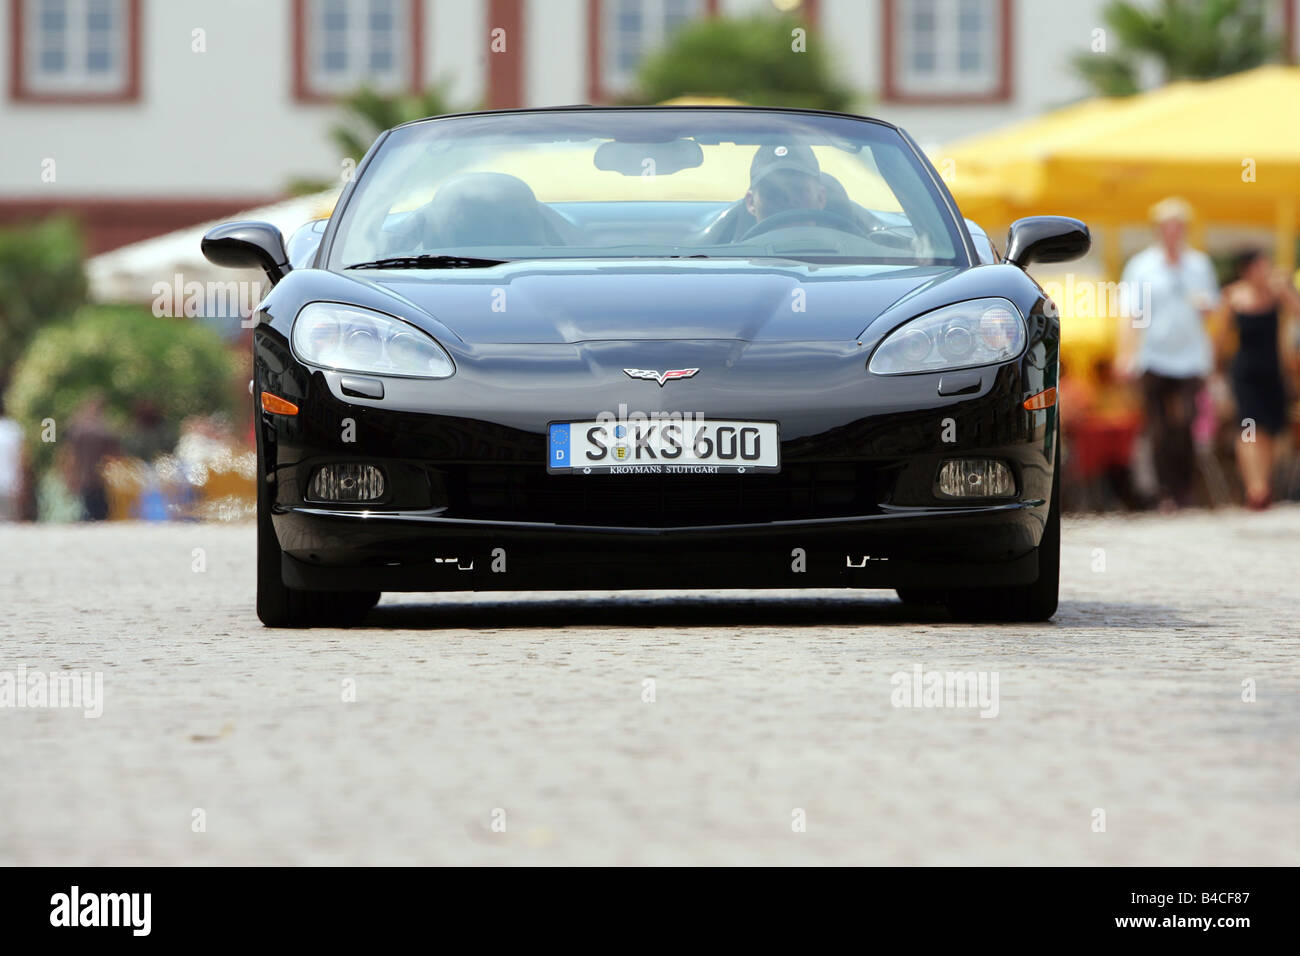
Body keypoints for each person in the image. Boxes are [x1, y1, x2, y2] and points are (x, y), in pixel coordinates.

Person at [1118, 197, 1220, 510]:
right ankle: (1165, 492)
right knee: (1159, 427)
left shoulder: (1199, 265)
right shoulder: (1141, 266)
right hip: (1154, 357)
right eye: (1168, 227)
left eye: (1178, 226)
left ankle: (1184, 488)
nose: (1173, 232)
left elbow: (1212, 311)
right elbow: (1129, 314)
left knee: (1187, 422)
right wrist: (1126, 353)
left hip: (1190, 358)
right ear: (1158, 230)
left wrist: (1212, 358)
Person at [1213, 249, 1300, 509]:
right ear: (1248, 269)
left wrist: (1286, 290)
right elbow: (1219, 338)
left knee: (1271, 429)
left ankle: (1264, 483)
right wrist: (1215, 372)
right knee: (1250, 428)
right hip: (1246, 373)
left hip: (1273, 372)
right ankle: (1256, 488)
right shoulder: (1233, 297)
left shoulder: (1276, 295)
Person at [745, 144, 827, 225]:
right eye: (773, 192)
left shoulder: (838, 238)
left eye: (798, 190)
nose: (788, 200)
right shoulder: (838, 237)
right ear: (751, 202)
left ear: (820, 198)